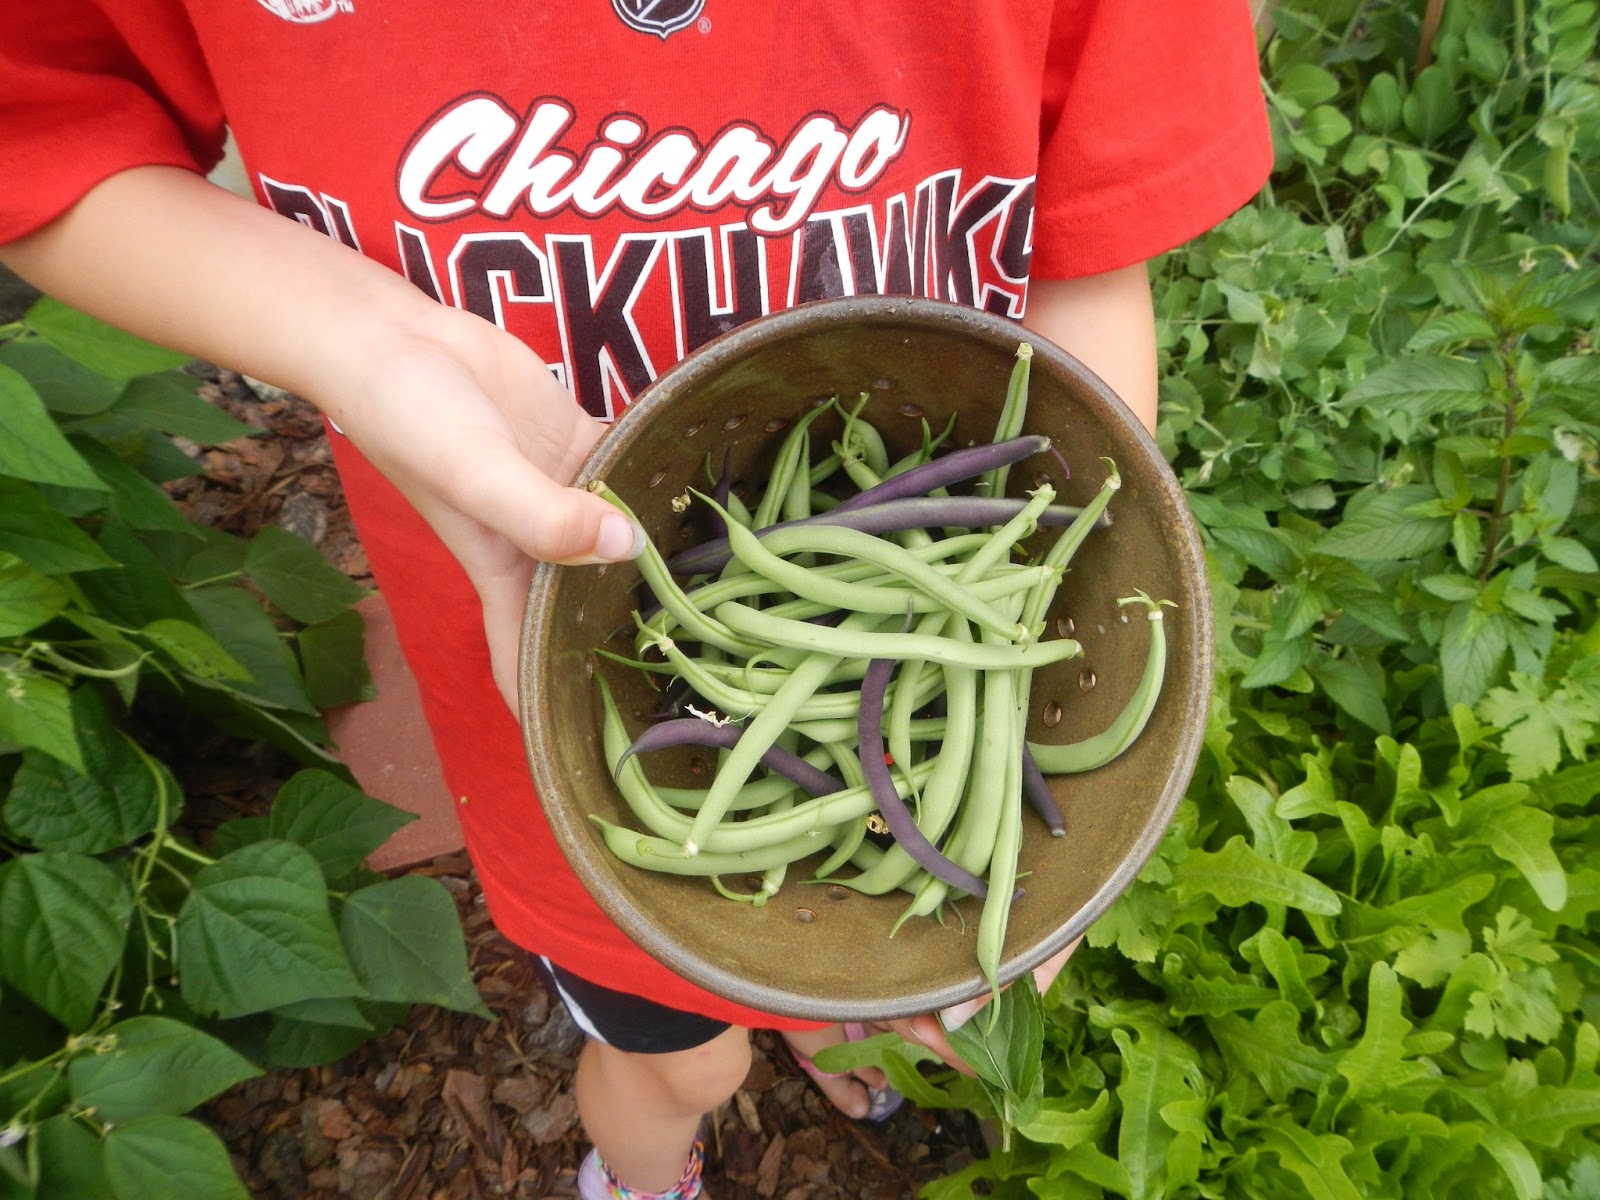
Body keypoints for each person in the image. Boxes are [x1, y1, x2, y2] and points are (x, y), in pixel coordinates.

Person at [1, 2, 1271, 1195]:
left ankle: (825, 1008)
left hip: (940, 542)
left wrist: (1053, 644)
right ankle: (652, 1160)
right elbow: (41, 130)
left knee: (869, 930)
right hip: (536, 674)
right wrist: (360, 338)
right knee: (679, 1056)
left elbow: (1091, 239)